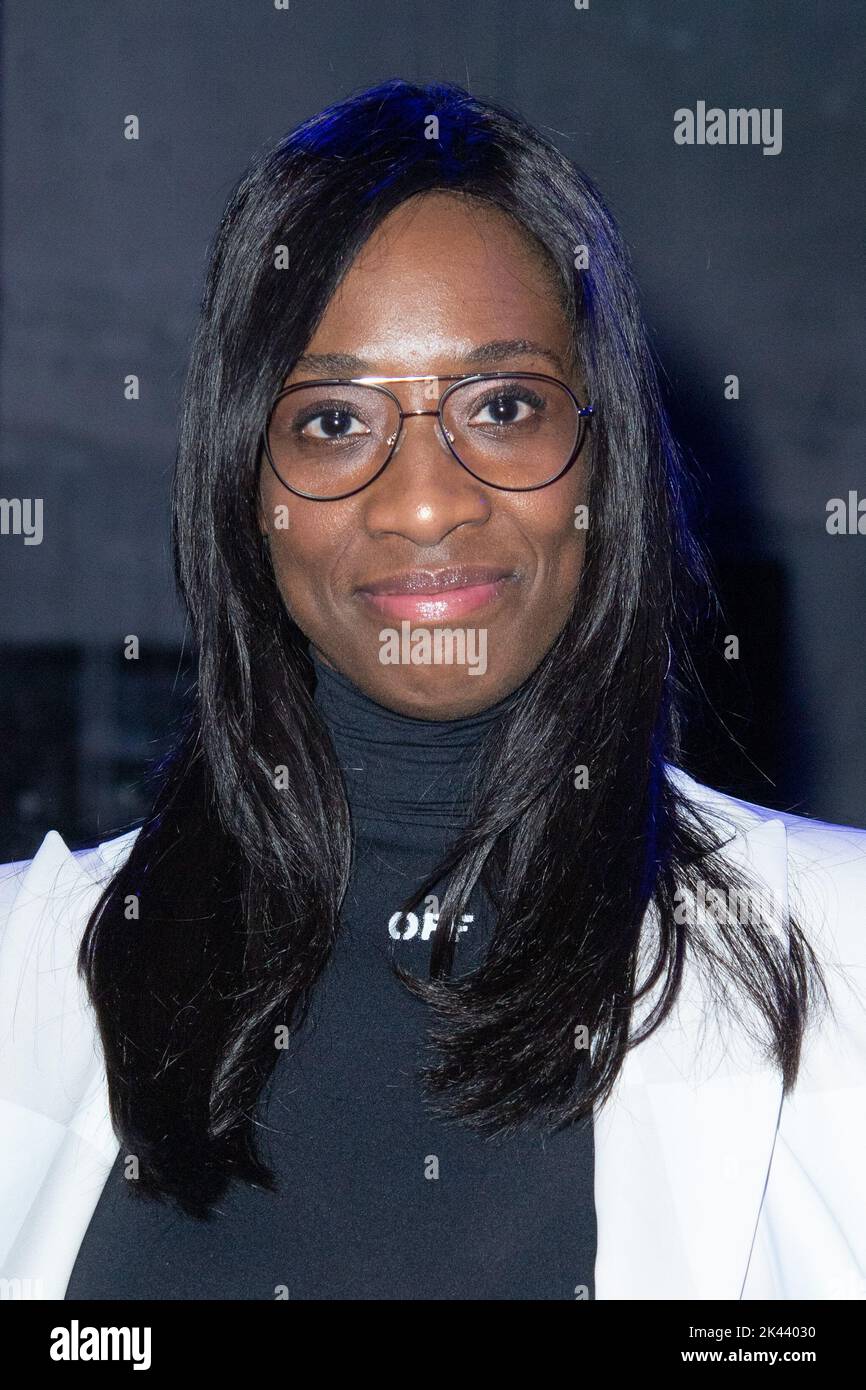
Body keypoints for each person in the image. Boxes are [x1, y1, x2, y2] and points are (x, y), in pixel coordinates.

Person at [1, 78, 864, 1302]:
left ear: (602, 458)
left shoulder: (844, 964)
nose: (424, 501)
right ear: (248, 490)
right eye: (334, 421)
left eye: (502, 405)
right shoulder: (20, 983)